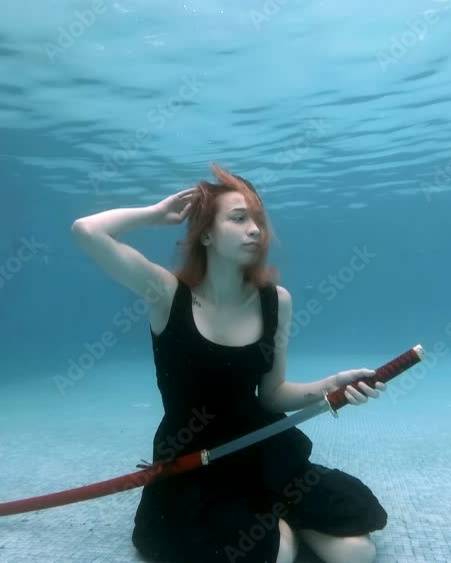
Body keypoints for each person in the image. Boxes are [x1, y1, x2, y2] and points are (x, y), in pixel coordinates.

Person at [70, 163, 388, 563]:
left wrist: (334, 384)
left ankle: (282, 515)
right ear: (205, 233)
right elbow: (86, 231)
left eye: (258, 220)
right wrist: (154, 214)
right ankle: (282, 524)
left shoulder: (276, 301)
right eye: (239, 219)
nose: (255, 229)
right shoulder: (167, 294)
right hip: (192, 462)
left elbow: (272, 396)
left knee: (355, 554)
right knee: (273, 552)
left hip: (261, 449)